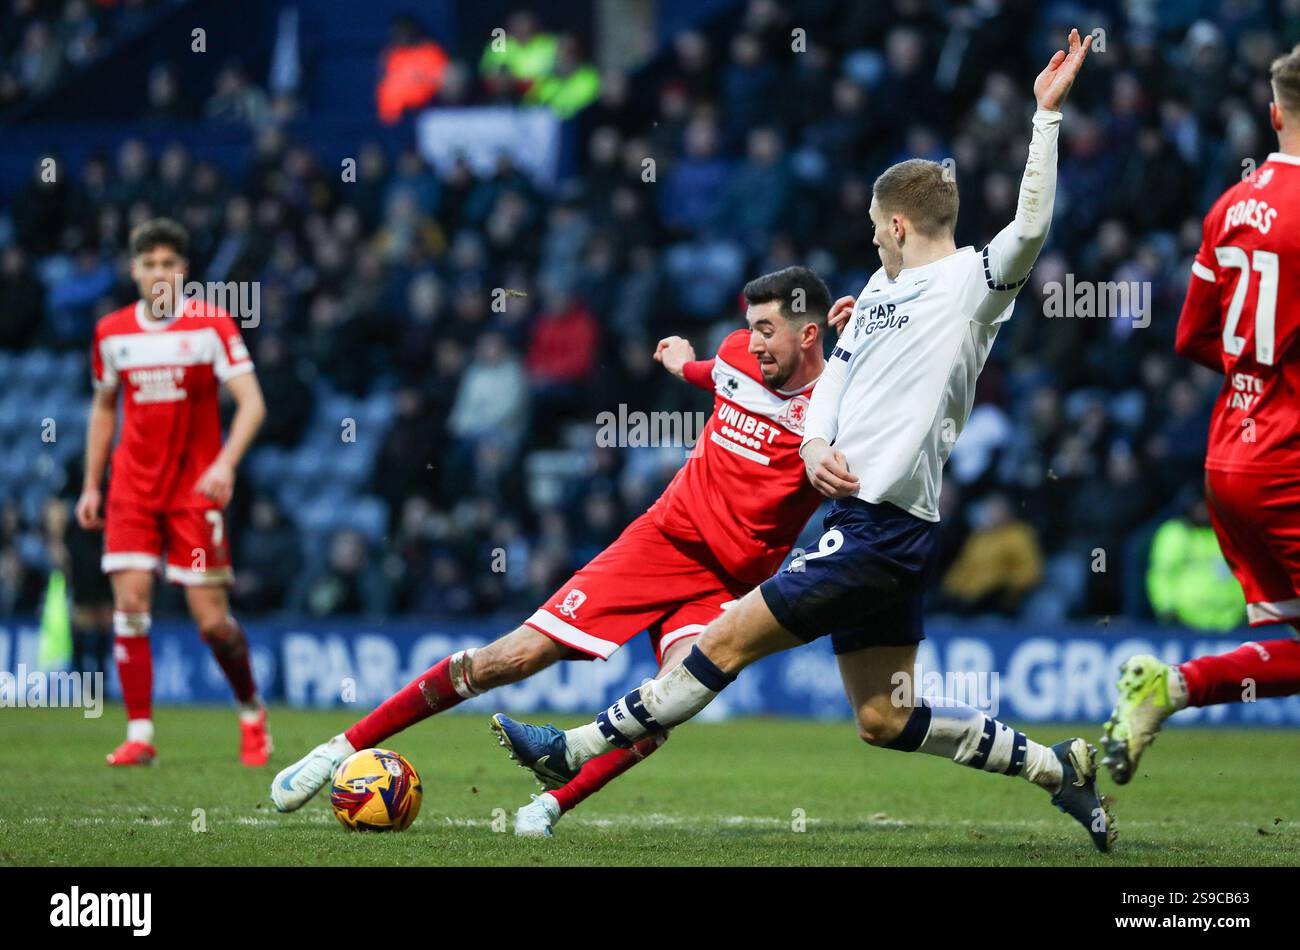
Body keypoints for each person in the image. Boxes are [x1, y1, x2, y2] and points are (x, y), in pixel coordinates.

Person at [492, 31, 1115, 853]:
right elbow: (833, 392)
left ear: (896, 222)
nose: (868, 237)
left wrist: (1045, 117)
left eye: (871, 225)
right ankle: (1058, 767)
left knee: (723, 641)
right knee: (884, 718)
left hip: (882, 528)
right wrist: (815, 448)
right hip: (865, 521)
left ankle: (570, 750)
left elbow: (1031, 224)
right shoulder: (873, 295)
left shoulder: (972, 284)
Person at [271, 267, 838, 836]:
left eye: (767, 329)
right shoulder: (738, 354)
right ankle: (334, 750)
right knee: (509, 658)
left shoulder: (837, 408)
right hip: (660, 541)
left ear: (808, 335)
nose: (754, 341)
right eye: (751, 328)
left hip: (726, 580)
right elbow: (712, 374)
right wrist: (677, 362)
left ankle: (550, 804)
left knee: (672, 699)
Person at [1101, 43, 1300, 784]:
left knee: (1290, 642)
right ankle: (1171, 687)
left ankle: (1170, 687)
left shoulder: (1230, 205)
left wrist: (1257, 369)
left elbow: (1189, 336)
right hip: (1289, 458)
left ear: (1273, 112)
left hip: (1229, 456)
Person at [75, 218, 270, 767]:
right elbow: (103, 408)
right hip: (132, 491)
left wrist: (226, 465)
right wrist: (92, 485)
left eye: (169, 264)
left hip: (193, 495)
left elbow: (252, 403)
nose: (159, 273)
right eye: (149, 264)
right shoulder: (112, 333)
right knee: (131, 606)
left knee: (212, 622)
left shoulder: (210, 323)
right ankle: (140, 733)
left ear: (183, 271)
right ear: (134, 271)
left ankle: (251, 711)